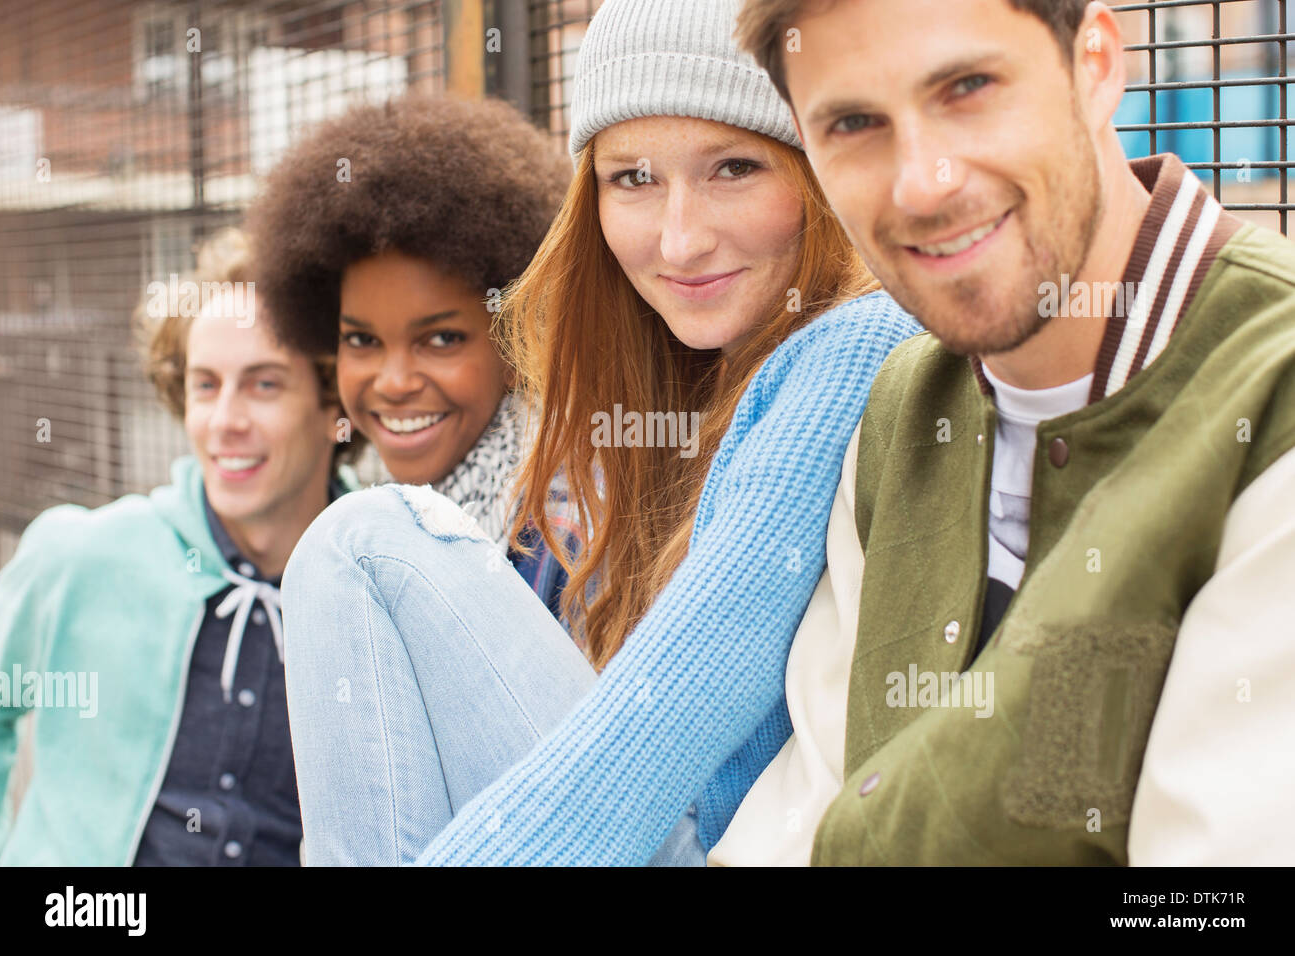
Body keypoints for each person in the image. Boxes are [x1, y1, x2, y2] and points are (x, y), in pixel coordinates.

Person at [279, 0, 920, 865]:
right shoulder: (677, 387)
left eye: (734, 167)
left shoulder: (855, 341)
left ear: (820, 172)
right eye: (632, 178)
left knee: (362, 544)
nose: (681, 238)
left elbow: (661, 727)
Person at [725, 0, 1295, 864]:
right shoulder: (902, 406)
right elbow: (799, 823)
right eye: (852, 123)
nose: (923, 181)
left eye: (968, 86)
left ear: (1095, 63)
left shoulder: (1270, 381)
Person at [0, 228, 361, 865]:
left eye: (264, 384)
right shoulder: (78, 556)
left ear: (332, 398)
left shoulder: (375, 596)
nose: (225, 422)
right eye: (205, 385)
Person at [245, 94, 575, 620]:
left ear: (516, 342)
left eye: (441, 339)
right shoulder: (376, 515)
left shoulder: (563, 535)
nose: (394, 382)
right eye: (362, 341)